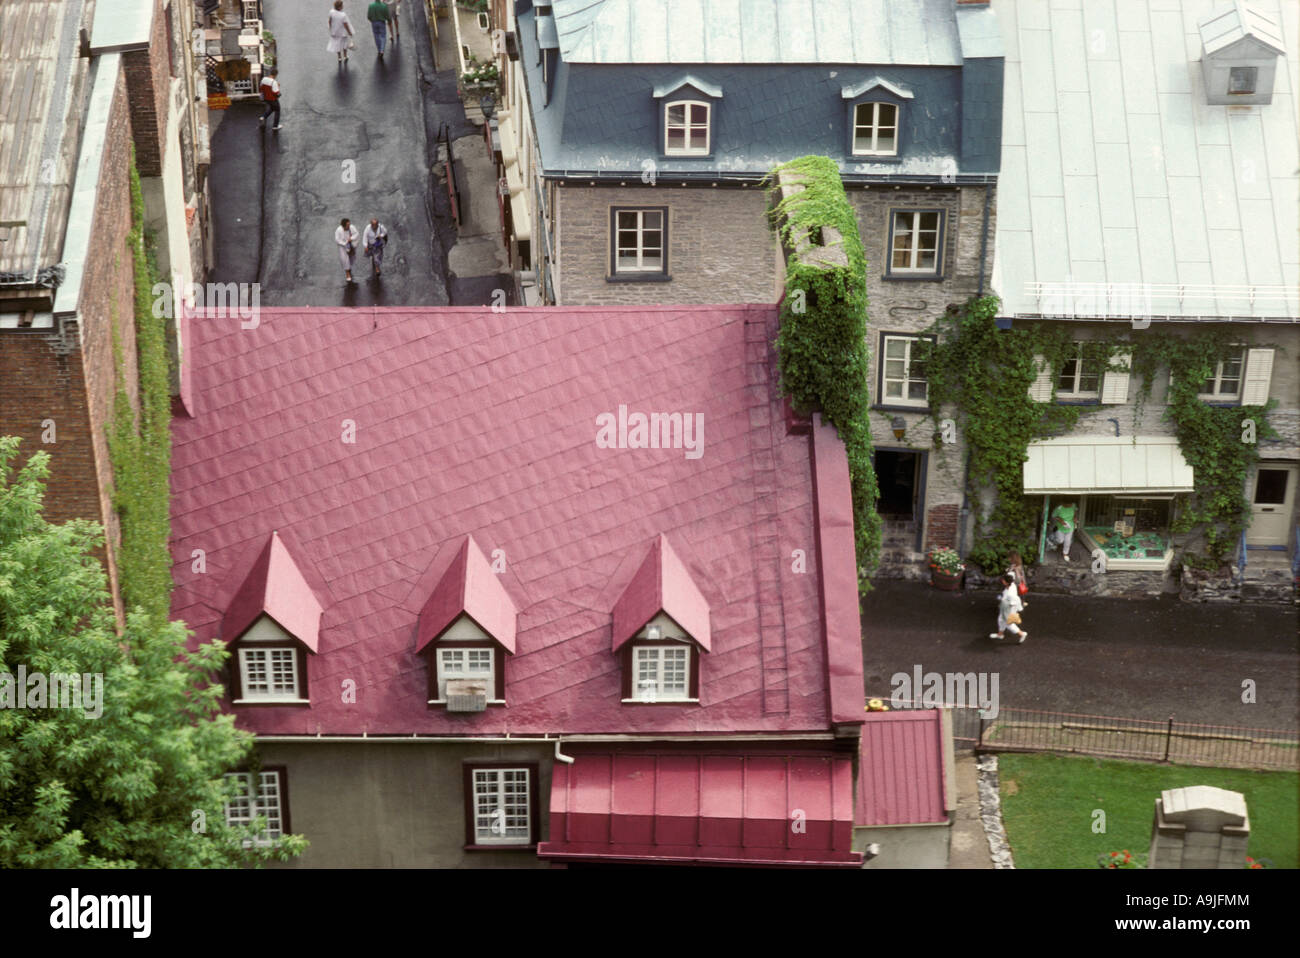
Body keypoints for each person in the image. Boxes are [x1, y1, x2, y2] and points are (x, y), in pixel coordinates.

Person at [990, 575, 1027, 643]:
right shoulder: (1011, 585)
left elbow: (1015, 600)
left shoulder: (1010, 593)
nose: (1002, 581)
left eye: (1003, 580)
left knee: (1008, 624)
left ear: (1007, 582)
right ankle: (1000, 634)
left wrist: (1018, 608)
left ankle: (1022, 634)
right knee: (1001, 620)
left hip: (1009, 608)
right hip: (1006, 607)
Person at [336, 218, 360, 283]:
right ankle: (347, 274)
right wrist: (345, 243)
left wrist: (351, 238)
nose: (349, 226)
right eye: (347, 225)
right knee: (345, 259)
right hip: (343, 247)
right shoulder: (339, 230)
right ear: (343, 225)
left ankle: (349, 268)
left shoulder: (351, 227)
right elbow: (337, 240)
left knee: (351, 258)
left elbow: (356, 234)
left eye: (349, 224)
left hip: (351, 245)